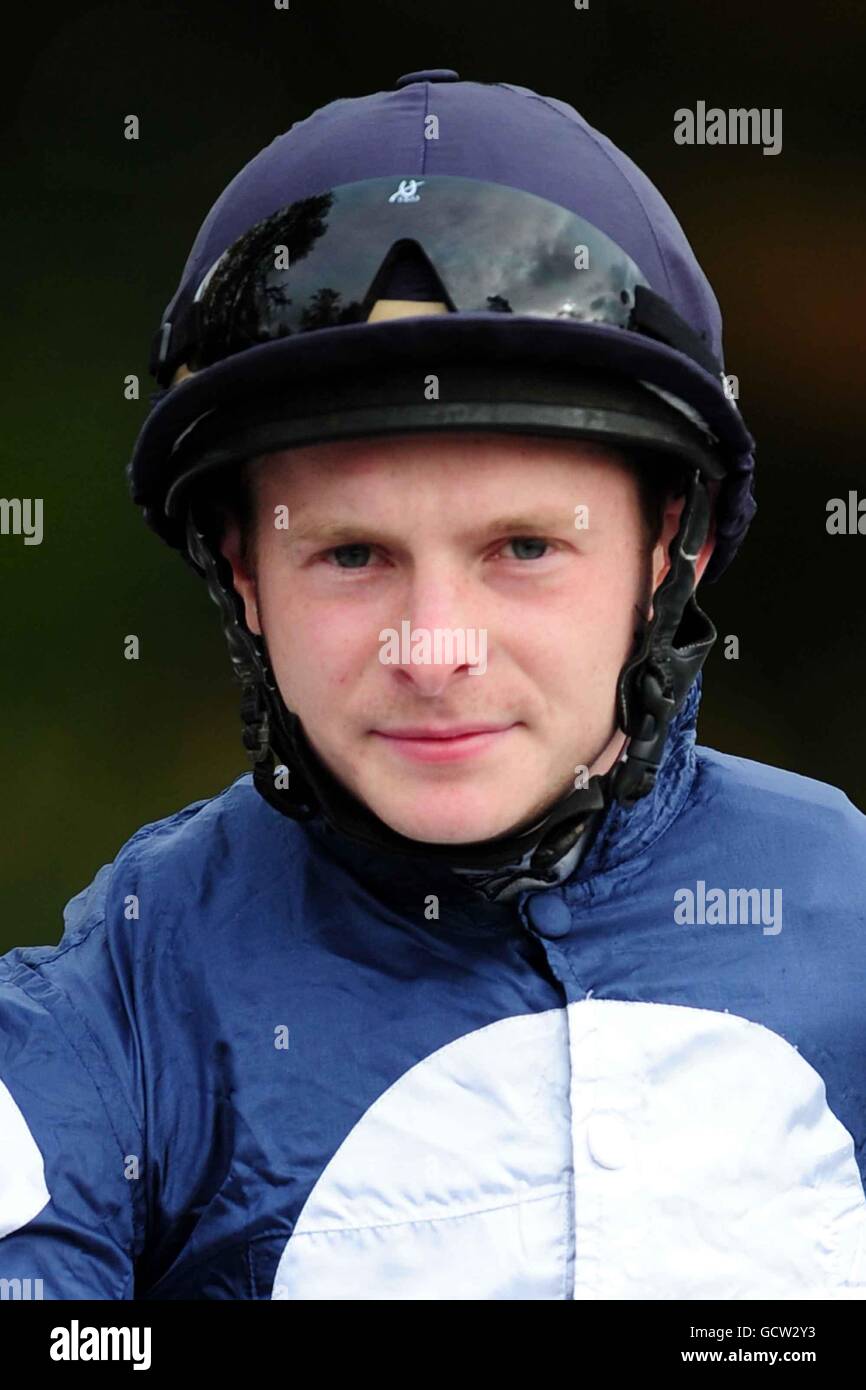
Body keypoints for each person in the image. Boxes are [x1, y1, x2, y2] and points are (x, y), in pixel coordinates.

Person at [1, 68, 865, 1302]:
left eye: (522, 548)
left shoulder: (846, 901)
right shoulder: (128, 993)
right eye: (352, 555)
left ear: (667, 548)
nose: (432, 648)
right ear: (244, 574)